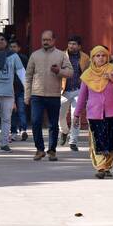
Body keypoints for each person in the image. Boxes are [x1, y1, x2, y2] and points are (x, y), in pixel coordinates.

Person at [74, 46, 113, 178]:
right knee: (97, 141)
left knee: (111, 142)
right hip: (94, 114)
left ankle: (107, 167)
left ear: (107, 57)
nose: (101, 58)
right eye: (97, 56)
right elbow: (82, 97)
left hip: (112, 113)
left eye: (103, 55)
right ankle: (100, 167)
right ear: (92, 58)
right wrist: (76, 114)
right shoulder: (87, 75)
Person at [25, 30, 70, 160]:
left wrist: (59, 71)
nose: (45, 42)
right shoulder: (35, 55)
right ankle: (39, 149)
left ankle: (52, 151)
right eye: (43, 39)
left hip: (54, 94)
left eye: (48, 39)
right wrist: (27, 95)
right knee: (35, 121)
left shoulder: (61, 55)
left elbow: (70, 72)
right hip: (37, 95)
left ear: (53, 40)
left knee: (53, 124)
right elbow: (28, 76)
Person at [59, 35, 86, 150]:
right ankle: (64, 131)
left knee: (76, 116)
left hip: (78, 90)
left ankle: (73, 141)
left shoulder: (85, 58)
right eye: (70, 43)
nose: (71, 46)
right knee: (60, 116)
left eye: (74, 44)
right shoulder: (61, 56)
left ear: (79, 46)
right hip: (63, 90)